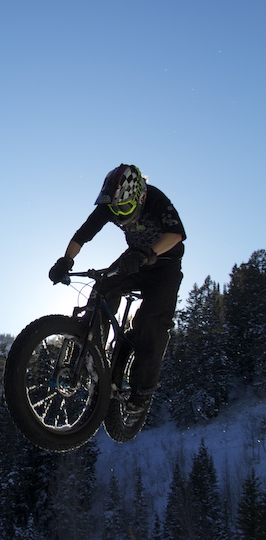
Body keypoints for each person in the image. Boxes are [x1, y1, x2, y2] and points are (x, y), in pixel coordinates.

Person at [48, 164, 186, 414]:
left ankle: (142, 393)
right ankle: (90, 347)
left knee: (152, 325)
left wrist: (149, 253)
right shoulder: (111, 204)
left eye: (124, 208)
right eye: (114, 209)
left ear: (139, 197)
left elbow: (176, 234)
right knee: (104, 285)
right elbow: (83, 234)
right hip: (135, 258)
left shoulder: (156, 199)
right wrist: (65, 260)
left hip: (164, 264)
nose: (119, 215)